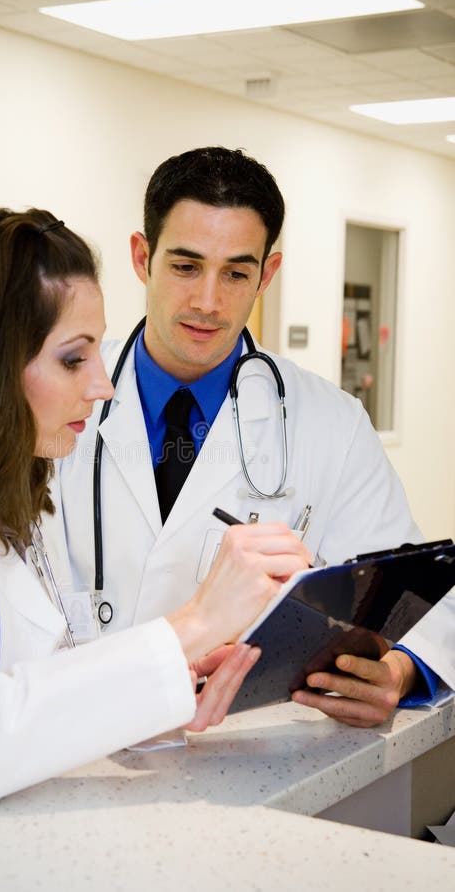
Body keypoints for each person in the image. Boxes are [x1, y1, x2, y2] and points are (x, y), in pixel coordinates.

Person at [0, 204, 310, 812]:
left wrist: (172, 685)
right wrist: (193, 622)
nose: (103, 385)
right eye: (74, 358)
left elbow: (31, 694)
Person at [50, 146, 449, 728]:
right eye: (186, 266)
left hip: (248, 752)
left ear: (267, 273)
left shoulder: (330, 423)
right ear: (142, 257)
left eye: (236, 273)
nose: (208, 302)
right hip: (76, 741)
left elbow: (417, 596)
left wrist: (401, 670)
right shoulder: (52, 398)